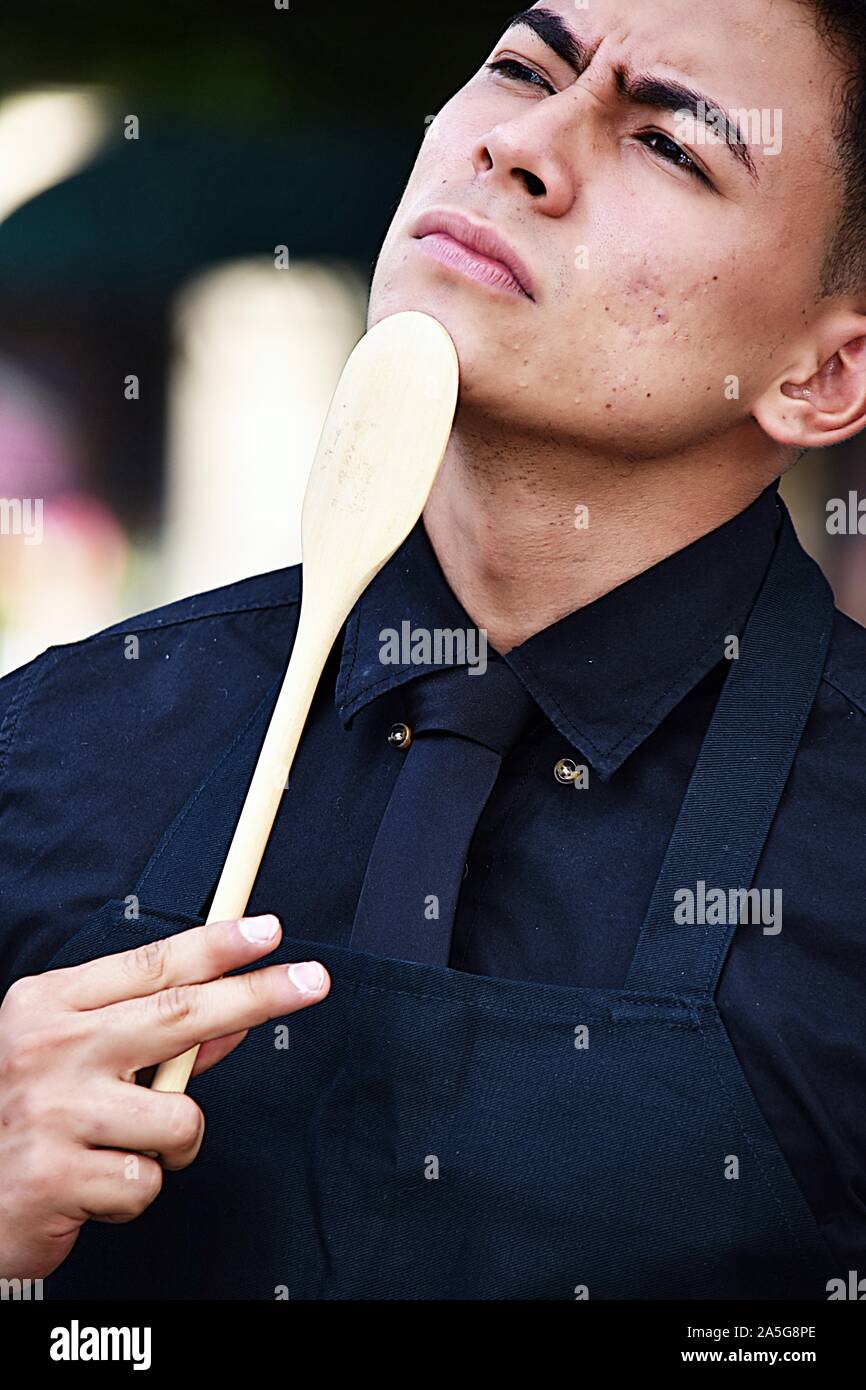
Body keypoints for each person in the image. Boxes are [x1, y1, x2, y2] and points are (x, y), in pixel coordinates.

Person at [1, 0, 865, 1300]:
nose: (521, 144)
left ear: (824, 373)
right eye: (522, 68)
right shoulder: (49, 746)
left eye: (670, 145)